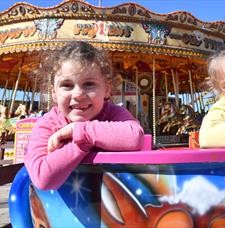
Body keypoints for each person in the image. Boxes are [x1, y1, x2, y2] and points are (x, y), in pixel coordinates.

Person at [24, 41, 144, 190]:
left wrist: (79, 131)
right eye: (67, 85)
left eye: (89, 84)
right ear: (54, 93)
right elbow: (43, 178)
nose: (78, 94)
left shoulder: (113, 112)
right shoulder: (48, 124)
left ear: (107, 89)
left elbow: (135, 137)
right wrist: (83, 142)